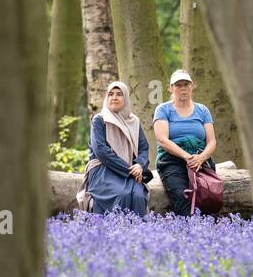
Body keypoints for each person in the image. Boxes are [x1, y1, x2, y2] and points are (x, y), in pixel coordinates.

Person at [152, 69, 217, 216]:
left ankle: (210, 236)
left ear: (192, 86)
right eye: (178, 85)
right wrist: (187, 157)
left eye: (186, 84)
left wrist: (200, 158)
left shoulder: (203, 110)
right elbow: (163, 140)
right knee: (182, 198)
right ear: (171, 88)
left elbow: (212, 141)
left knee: (210, 197)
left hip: (200, 160)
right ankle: (189, 234)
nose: (182, 88)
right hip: (172, 161)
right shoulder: (163, 109)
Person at [80, 81, 150, 215]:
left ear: (126, 98)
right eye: (111, 94)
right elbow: (101, 152)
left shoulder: (134, 121)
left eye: (119, 94)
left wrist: (140, 166)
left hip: (131, 172)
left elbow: (144, 148)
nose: (114, 97)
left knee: (139, 196)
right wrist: (130, 169)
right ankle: (113, 233)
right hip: (103, 170)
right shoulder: (99, 120)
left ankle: (138, 234)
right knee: (121, 195)